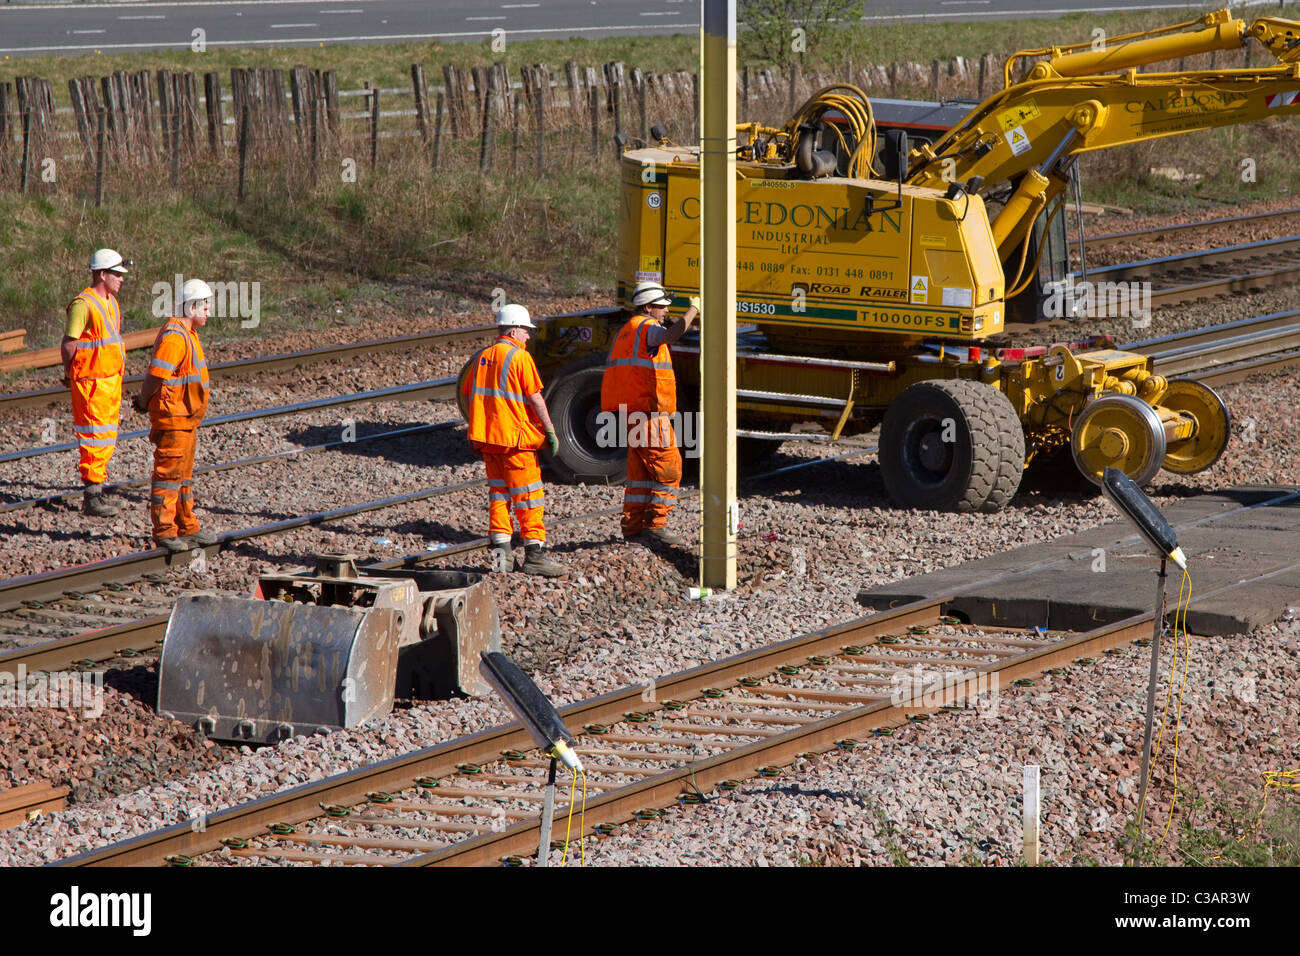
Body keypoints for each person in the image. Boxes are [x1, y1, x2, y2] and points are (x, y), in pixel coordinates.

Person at [460, 304, 567, 577]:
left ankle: (502, 559)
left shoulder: (482, 357)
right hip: (514, 442)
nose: (528, 337)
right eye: (526, 331)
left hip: (488, 440)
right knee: (529, 497)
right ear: (515, 329)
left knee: (499, 495)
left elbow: (467, 393)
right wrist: (550, 430)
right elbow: (535, 399)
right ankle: (535, 555)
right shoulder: (519, 358)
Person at [601, 281, 699, 547]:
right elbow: (671, 335)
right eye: (662, 307)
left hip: (631, 412)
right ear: (648, 307)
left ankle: (633, 530)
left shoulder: (627, 330)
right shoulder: (647, 328)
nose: (665, 312)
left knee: (641, 474)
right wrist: (693, 310)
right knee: (669, 467)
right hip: (647, 414)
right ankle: (656, 525)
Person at [132, 279, 217, 553]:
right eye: (205, 306)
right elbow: (156, 376)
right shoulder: (175, 337)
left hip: (187, 419)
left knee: (184, 477)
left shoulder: (188, 334)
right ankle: (165, 530)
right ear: (191, 306)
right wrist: (144, 401)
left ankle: (186, 526)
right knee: (169, 475)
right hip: (173, 419)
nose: (208, 311)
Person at [61, 249, 131, 517]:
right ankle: (91, 497)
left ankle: (97, 492)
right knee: (93, 438)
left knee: (105, 438)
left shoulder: (110, 302)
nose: (121, 279)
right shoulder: (83, 304)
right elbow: (69, 344)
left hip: (110, 381)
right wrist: (72, 373)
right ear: (102, 274)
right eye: (116, 274)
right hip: (91, 383)